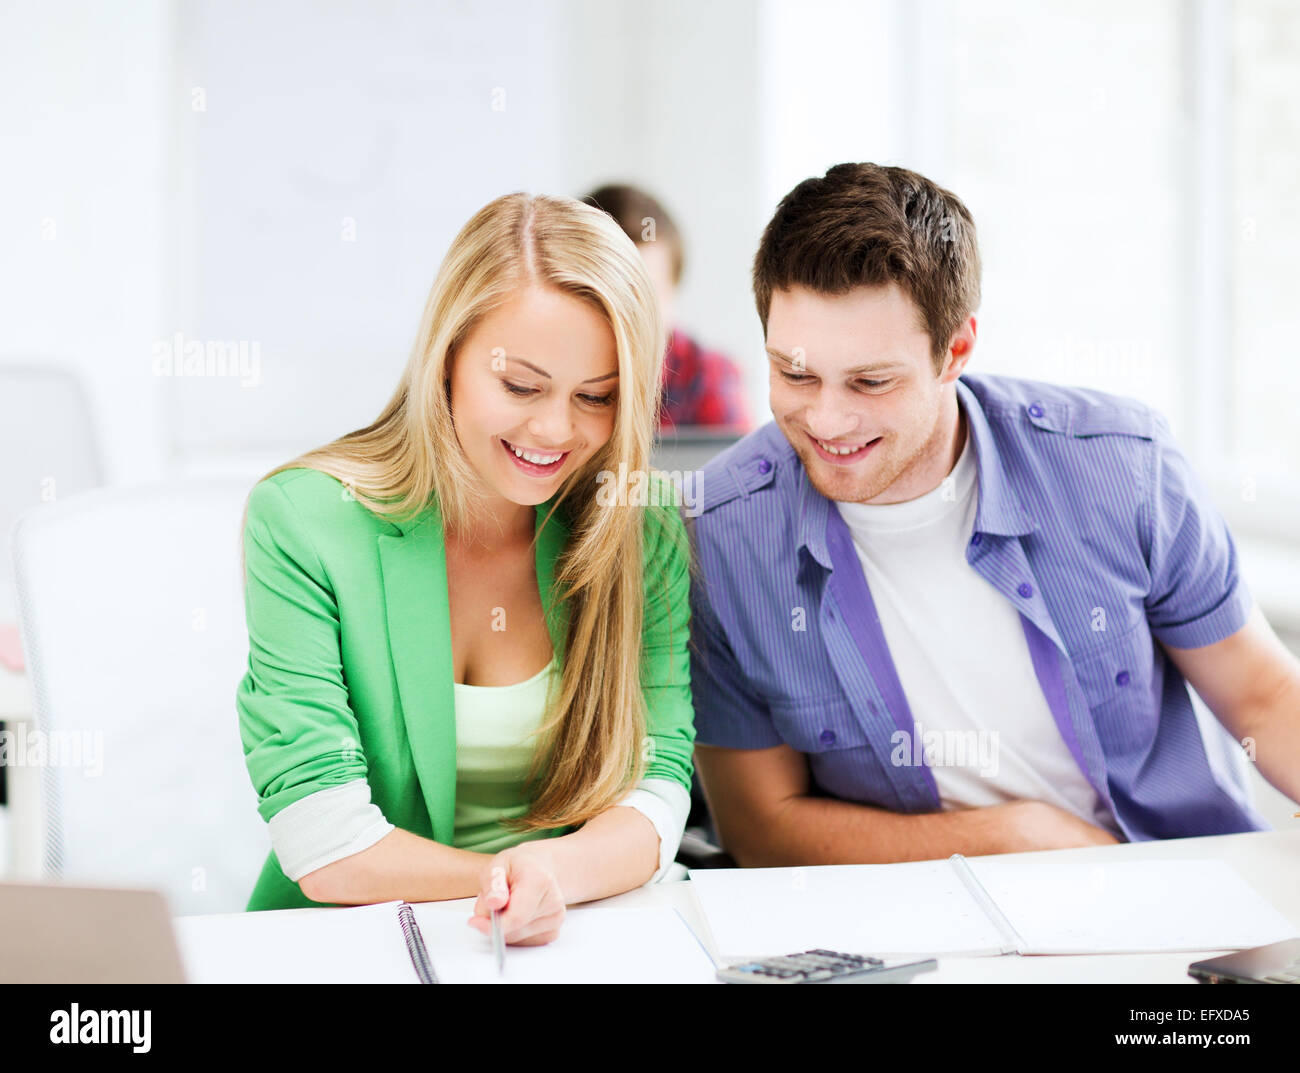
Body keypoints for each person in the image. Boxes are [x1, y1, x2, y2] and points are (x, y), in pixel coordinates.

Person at [688, 162, 1300, 866]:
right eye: (795, 374)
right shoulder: (723, 536)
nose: (827, 418)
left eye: (871, 381)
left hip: (1165, 891)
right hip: (912, 923)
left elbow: (1263, 696)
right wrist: (1014, 838)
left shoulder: (1121, 468)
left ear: (956, 351)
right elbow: (761, 830)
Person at [236, 193, 694, 945]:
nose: (554, 429)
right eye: (520, 386)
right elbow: (325, 841)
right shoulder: (305, 521)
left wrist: (557, 882)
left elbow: (657, 786)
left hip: (573, 943)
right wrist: (520, 884)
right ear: (447, 356)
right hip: (352, 945)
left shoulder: (640, 524)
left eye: (596, 397)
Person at [583, 183, 749, 431]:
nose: (629, 317)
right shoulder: (549, 369)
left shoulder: (709, 375)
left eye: (650, 297)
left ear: (673, 291)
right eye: (609, 295)